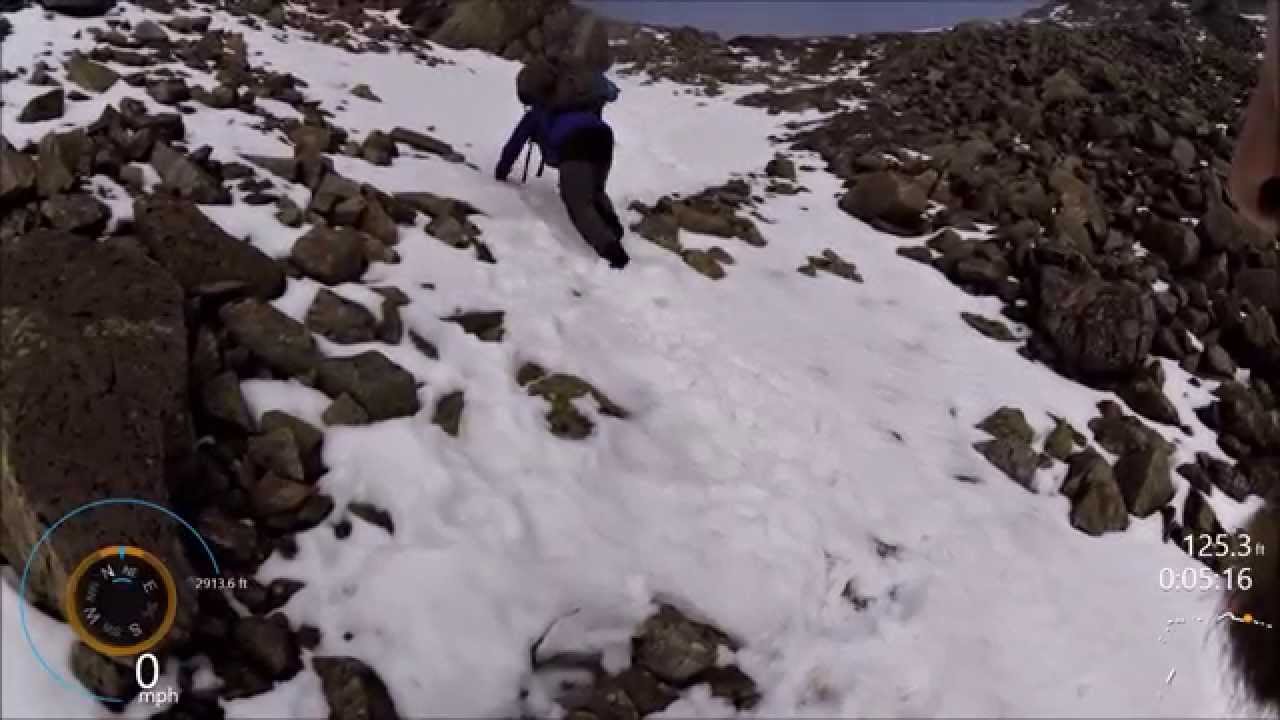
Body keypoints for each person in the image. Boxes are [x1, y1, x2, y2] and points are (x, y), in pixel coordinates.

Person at [494, 70, 630, 270]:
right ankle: (613, 227)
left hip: (575, 143)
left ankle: (614, 253)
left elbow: (515, 145)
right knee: (596, 189)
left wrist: (501, 172)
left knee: (578, 203)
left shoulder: (538, 113)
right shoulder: (575, 103)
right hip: (603, 136)